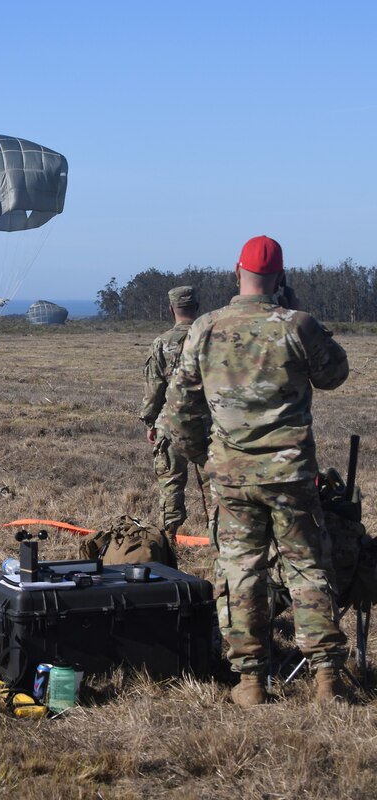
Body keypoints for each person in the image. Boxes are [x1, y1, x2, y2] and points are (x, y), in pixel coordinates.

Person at [164, 235, 349, 706]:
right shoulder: (297, 325)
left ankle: (251, 683)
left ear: (236, 271)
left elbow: (180, 407)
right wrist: (302, 315)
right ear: (281, 276)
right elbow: (334, 374)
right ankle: (326, 680)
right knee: (307, 568)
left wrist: (200, 457)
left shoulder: (204, 328)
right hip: (290, 476)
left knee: (241, 571)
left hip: (232, 476)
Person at [139, 286, 208, 551]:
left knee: (171, 484)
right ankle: (221, 541)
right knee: (214, 490)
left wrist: (149, 421)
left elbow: (153, 388)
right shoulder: (211, 339)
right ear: (197, 307)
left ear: (171, 309)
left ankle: (169, 541)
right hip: (207, 426)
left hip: (170, 425)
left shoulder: (161, 343)